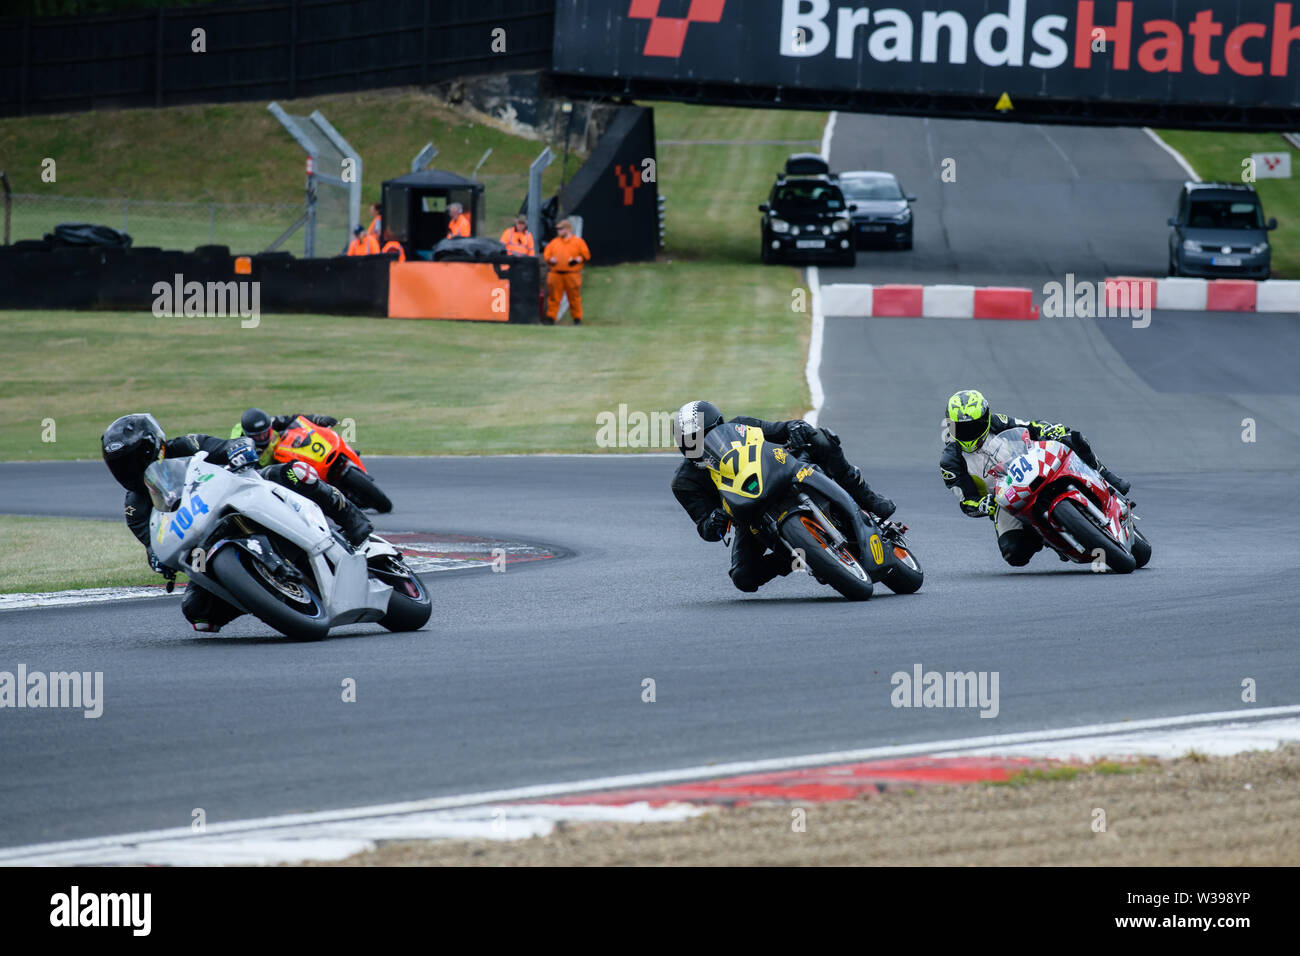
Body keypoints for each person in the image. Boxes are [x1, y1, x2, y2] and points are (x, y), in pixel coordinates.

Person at [102, 413, 372, 632]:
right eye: (120, 465)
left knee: (294, 473)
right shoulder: (135, 507)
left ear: (154, 446)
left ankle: (352, 520)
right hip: (203, 547)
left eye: (134, 459)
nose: (129, 469)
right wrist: (157, 559)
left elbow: (222, 445)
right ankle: (263, 595)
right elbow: (151, 544)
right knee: (198, 613)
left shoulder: (185, 445)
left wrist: (238, 449)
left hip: (244, 495)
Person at [670, 401, 896, 593]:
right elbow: (705, 528)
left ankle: (869, 499)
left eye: (700, 437)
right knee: (743, 578)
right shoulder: (685, 482)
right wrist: (713, 522)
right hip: (748, 515)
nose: (697, 446)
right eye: (689, 441)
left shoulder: (740, 427)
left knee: (820, 439)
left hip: (783, 473)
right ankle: (803, 558)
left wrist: (795, 427)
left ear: (719, 426)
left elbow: (779, 430)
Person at [941, 389, 1131, 567]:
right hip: (1005, 500)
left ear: (985, 419)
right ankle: (1044, 534)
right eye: (960, 428)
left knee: (1073, 438)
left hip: (1035, 466)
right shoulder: (950, 462)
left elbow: (1030, 426)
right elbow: (966, 502)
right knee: (1014, 554)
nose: (968, 433)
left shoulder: (997, 422)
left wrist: (1049, 429)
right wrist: (984, 504)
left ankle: (1105, 476)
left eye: (973, 426)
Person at [230, 407, 340, 467]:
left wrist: (318, 420)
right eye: (258, 436)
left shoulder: (272, 422)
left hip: (287, 452)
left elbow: (296, 419)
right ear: (250, 436)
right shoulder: (241, 446)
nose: (263, 437)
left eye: (265, 432)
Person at [542, 218, 591, 325]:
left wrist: (578, 259)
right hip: (555, 273)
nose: (559, 231)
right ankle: (551, 318)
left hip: (572, 274)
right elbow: (547, 255)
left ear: (568, 229)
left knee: (574, 298)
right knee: (554, 298)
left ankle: (577, 319)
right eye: (558, 229)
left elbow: (586, 255)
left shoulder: (578, 242)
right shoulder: (554, 242)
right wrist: (550, 259)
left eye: (561, 229)